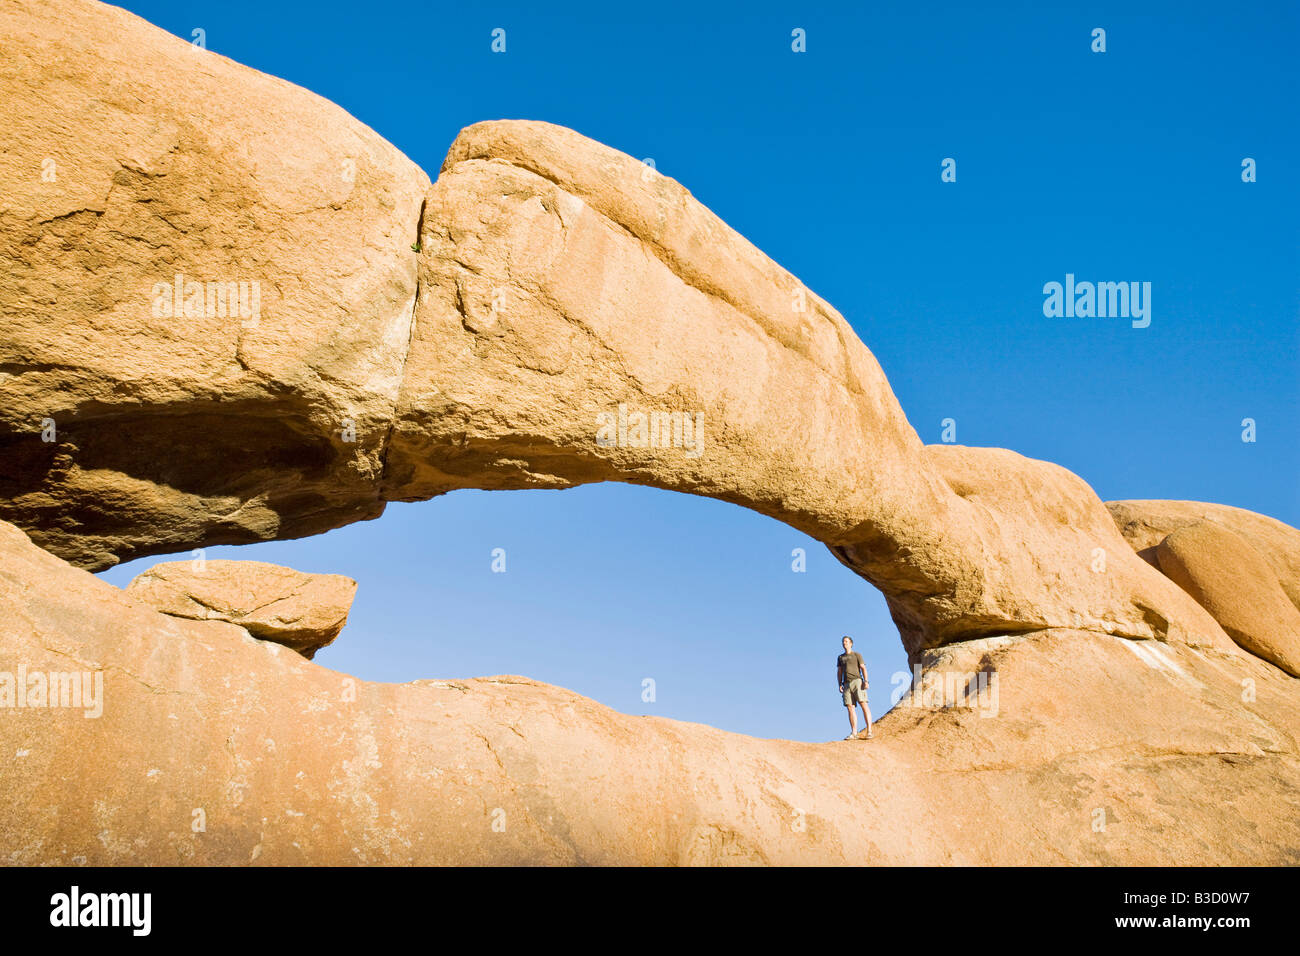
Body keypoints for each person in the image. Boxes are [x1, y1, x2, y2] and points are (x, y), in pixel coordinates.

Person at [837, 635, 873, 740]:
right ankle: (854, 732)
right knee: (850, 707)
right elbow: (839, 672)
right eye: (843, 641)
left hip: (857, 681)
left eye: (846, 641)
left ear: (851, 643)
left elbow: (863, 668)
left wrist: (866, 681)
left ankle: (869, 731)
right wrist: (839, 684)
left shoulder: (857, 655)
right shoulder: (840, 657)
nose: (844, 643)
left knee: (863, 704)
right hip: (846, 684)